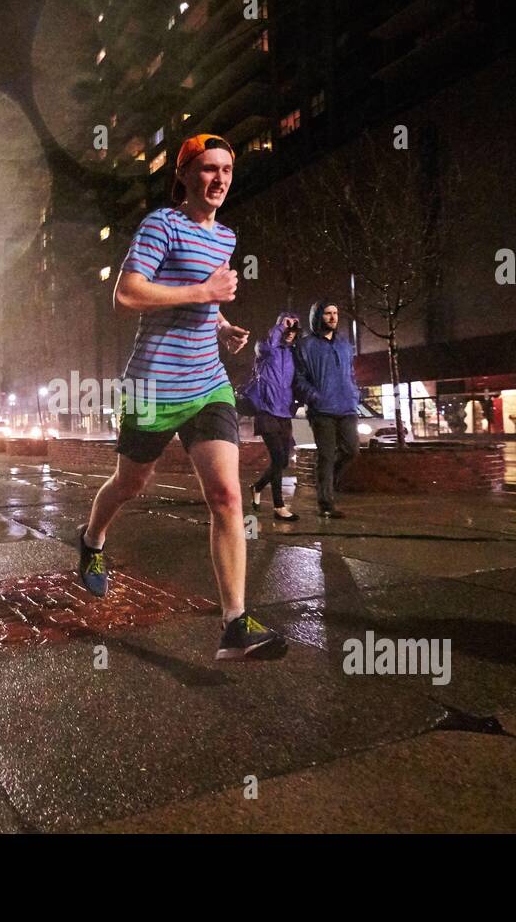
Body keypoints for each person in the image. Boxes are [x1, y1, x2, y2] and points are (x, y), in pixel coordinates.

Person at [76, 134, 286, 661]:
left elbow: (199, 300)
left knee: (227, 496)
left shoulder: (227, 236)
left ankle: (235, 624)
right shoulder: (161, 225)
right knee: (130, 481)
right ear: (186, 176)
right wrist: (205, 294)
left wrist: (223, 325)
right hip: (152, 385)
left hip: (207, 384)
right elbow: (127, 294)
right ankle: (92, 539)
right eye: (208, 170)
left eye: (227, 171)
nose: (219, 180)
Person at [293, 301, 360, 518]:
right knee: (327, 455)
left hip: (346, 406)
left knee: (351, 451)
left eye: (335, 313)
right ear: (317, 317)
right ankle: (326, 503)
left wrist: (354, 392)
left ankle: (327, 483)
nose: (333, 317)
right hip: (322, 409)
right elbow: (298, 378)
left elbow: (350, 373)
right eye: (327, 314)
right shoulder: (305, 345)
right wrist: (314, 396)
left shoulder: (344, 344)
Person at [241, 312, 302, 521]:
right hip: (265, 411)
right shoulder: (265, 347)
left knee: (283, 461)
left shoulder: (293, 354)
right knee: (277, 457)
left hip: (284, 413)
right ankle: (279, 506)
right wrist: (281, 327)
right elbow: (266, 347)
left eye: (295, 328)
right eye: (287, 326)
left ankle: (257, 487)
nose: (290, 331)